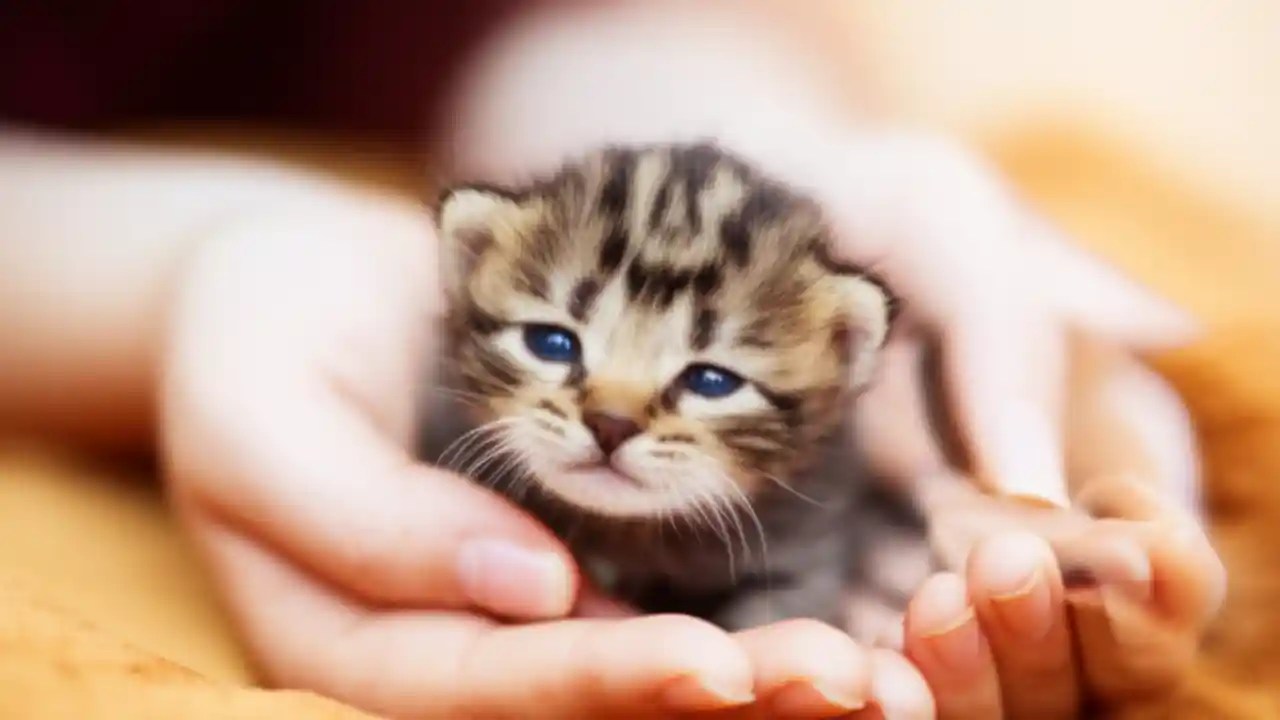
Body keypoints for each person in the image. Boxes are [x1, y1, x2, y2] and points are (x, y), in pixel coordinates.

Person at [0, 1, 1224, 717]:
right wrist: (176, 274)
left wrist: (773, 142)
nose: (612, 419)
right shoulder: (428, 379)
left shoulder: (827, 437)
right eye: (553, 346)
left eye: (705, 378)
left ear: (846, 361)